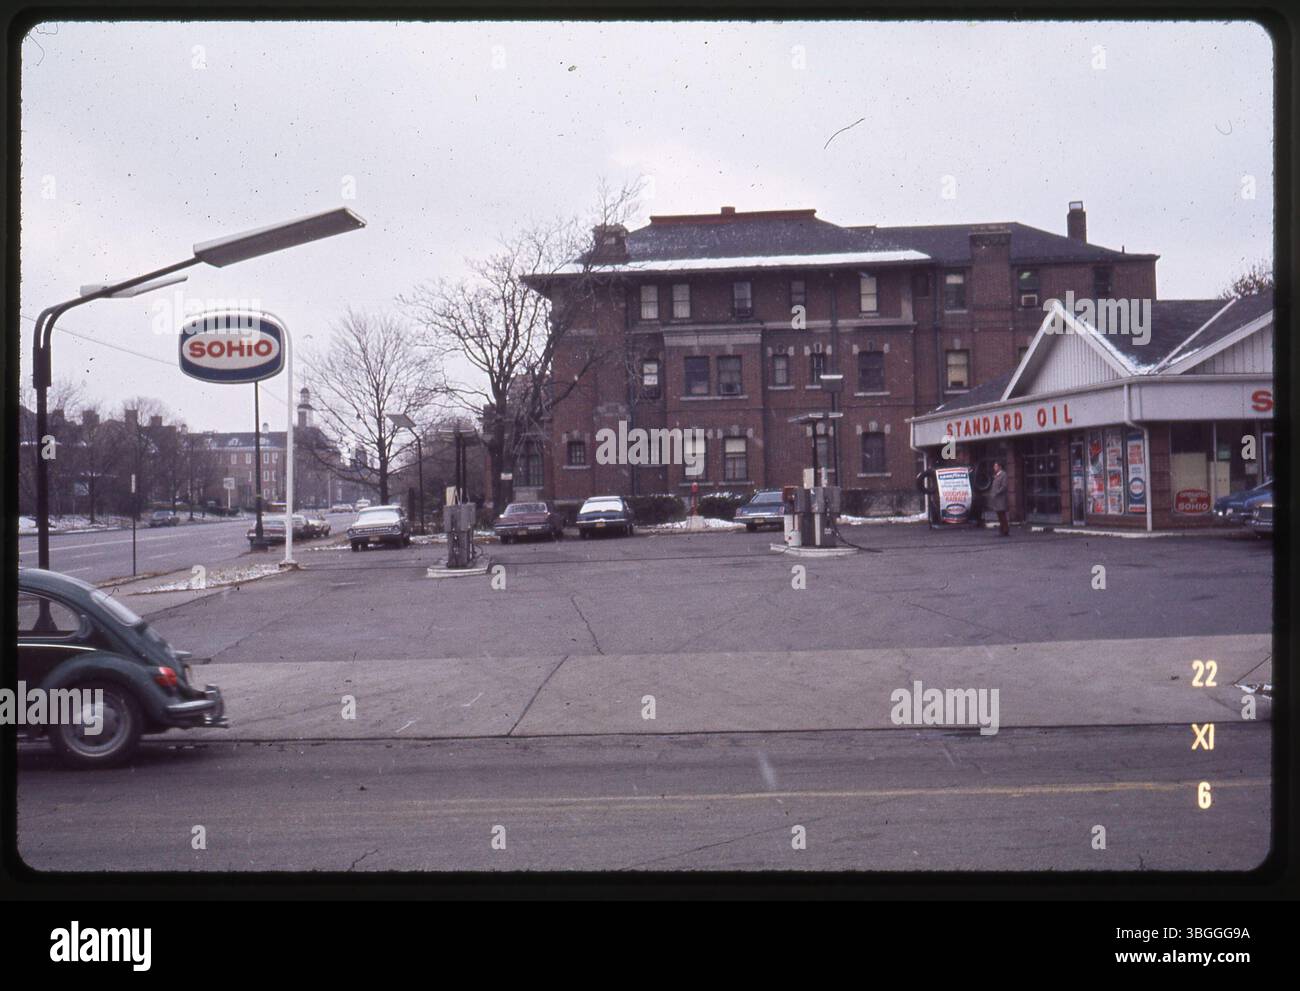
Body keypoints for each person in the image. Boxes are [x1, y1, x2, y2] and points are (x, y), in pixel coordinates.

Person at [990, 462, 1009, 536]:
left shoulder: (1003, 475)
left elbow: (1004, 486)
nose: (994, 468)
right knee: (999, 515)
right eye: (994, 466)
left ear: (1000, 467)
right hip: (996, 499)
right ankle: (1002, 530)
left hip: (1001, 498)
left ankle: (1005, 530)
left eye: (995, 466)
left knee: (1002, 515)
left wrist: (997, 492)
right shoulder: (996, 475)